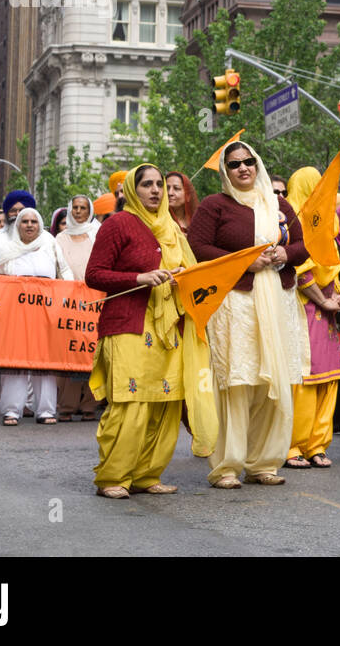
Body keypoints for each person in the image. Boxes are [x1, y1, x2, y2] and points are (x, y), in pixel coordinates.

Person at [84, 164, 217, 498]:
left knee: (165, 400)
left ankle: (146, 474)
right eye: (147, 185)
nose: (156, 191)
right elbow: (94, 274)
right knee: (131, 400)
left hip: (170, 325)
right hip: (129, 323)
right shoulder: (118, 224)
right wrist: (138, 278)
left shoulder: (172, 229)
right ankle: (113, 477)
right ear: (132, 190)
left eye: (160, 184)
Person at [187, 142, 309, 488]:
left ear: (257, 165)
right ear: (225, 171)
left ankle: (264, 462)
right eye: (234, 164)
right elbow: (199, 247)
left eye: (248, 162)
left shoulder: (279, 204)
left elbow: (303, 245)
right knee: (237, 380)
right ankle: (227, 465)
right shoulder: (215, 205)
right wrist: (243, 261)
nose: (243, 168)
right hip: (235, 303)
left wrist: (285, 253)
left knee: (274, 380)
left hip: (278, 299)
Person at [284, 166, 340, 469]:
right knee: (305, 380)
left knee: (329, 378)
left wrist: (337, 298)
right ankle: (293, 446)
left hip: (327, 311)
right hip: (303, 309)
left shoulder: (327, 225)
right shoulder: (294, 225)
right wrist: (324, 301)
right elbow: (301, 271)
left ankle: (318, 445)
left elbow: (331, 267)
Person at [0, 207, 74, 425]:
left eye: (33, 221)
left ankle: (45, 411)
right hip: (14, 313)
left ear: (40, 224)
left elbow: (65, 274)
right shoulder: (7, 249)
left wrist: (66, 300)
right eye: (24, 221)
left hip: (46, 313)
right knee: (16, 360)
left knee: (44, 361)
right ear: (17, 226)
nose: (29, 225)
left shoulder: (50, 245)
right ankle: (11, 411)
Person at [55, 194, 101, 421]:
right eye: (75, 207)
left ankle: (89, 405)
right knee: (69, 353)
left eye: (83, 208)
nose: (79, 212)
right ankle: (66, 405)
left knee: (92, 353)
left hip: (95, 302)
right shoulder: (60, 239)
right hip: (67, 303)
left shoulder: (98, 235)